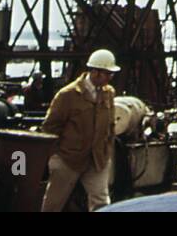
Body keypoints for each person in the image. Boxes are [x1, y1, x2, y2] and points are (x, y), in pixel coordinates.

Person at [41, 48, 120, 212]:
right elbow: (50, 127)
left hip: (97, 159)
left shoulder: (108, 94)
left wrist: (106, 151)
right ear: (96, 72)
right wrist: (56, 158)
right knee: (54, 204)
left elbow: (110, 127)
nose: (111, 77)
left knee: (101, 203)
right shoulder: (68, 95)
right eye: (108, 73)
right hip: (68, 160)